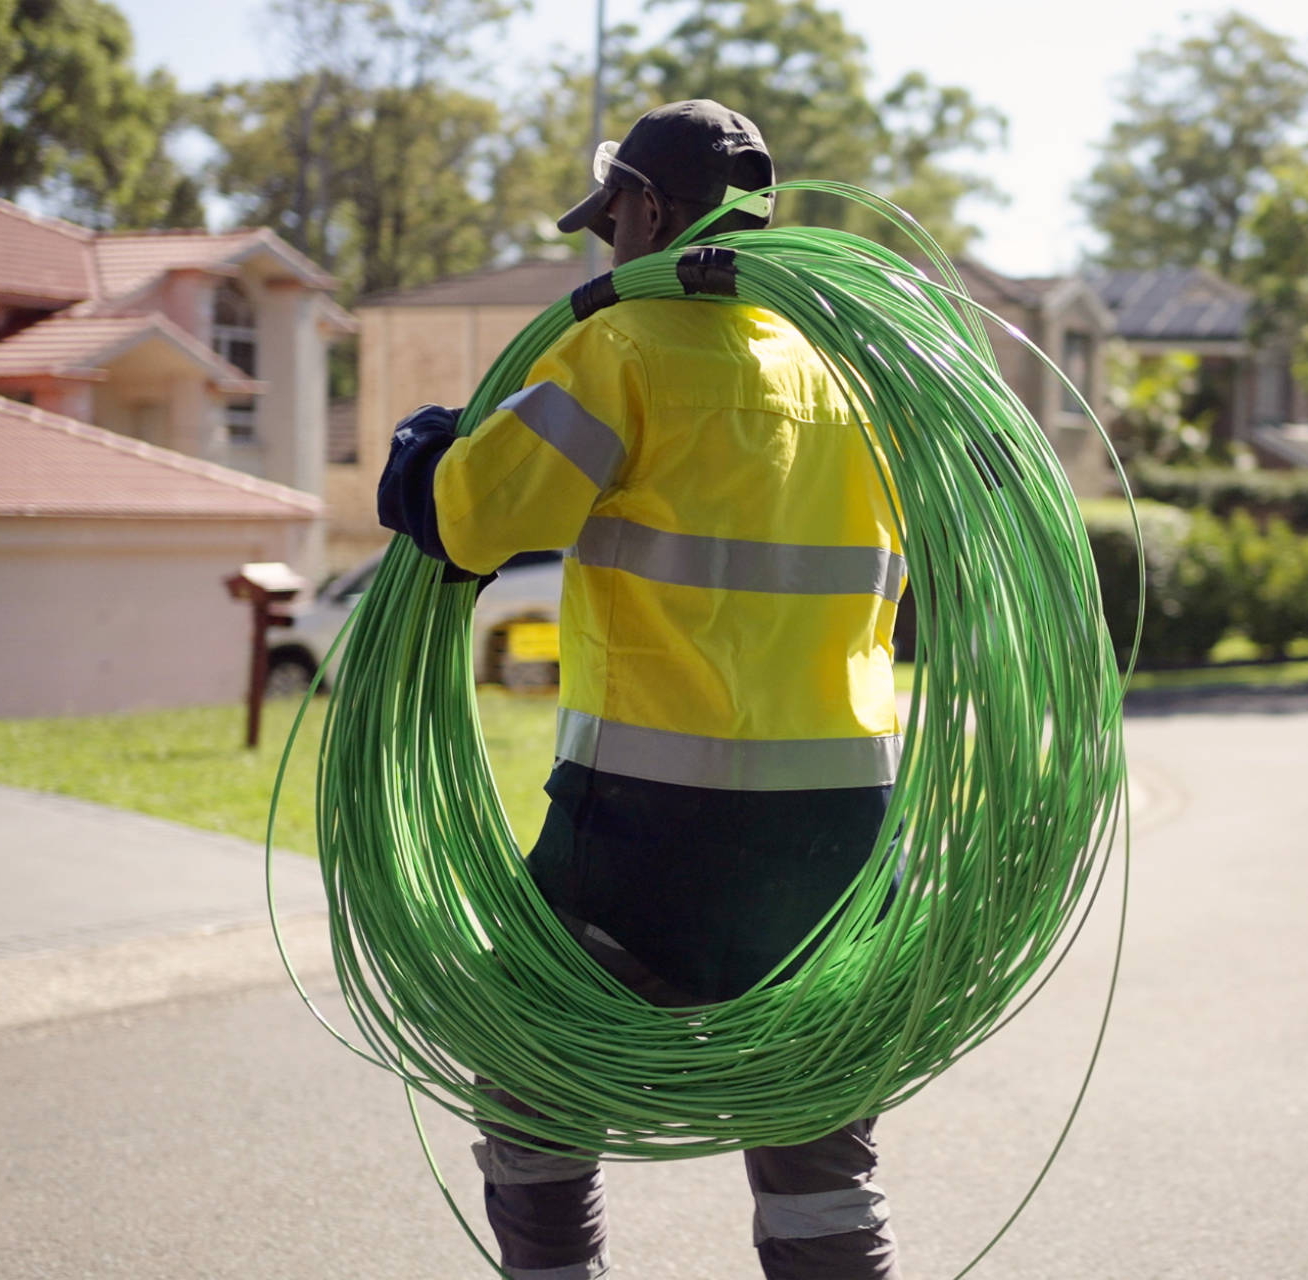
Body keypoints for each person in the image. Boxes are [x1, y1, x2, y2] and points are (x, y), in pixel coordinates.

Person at [377, 98, 905, 1280]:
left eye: (608, 218)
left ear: (650, 208)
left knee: (532, 1066)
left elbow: (472, 520)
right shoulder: (853, 380)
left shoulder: (617, 348)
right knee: (817, 1137)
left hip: (652, 824)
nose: (603, 249)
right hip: (842, 833)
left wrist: (423, 453)